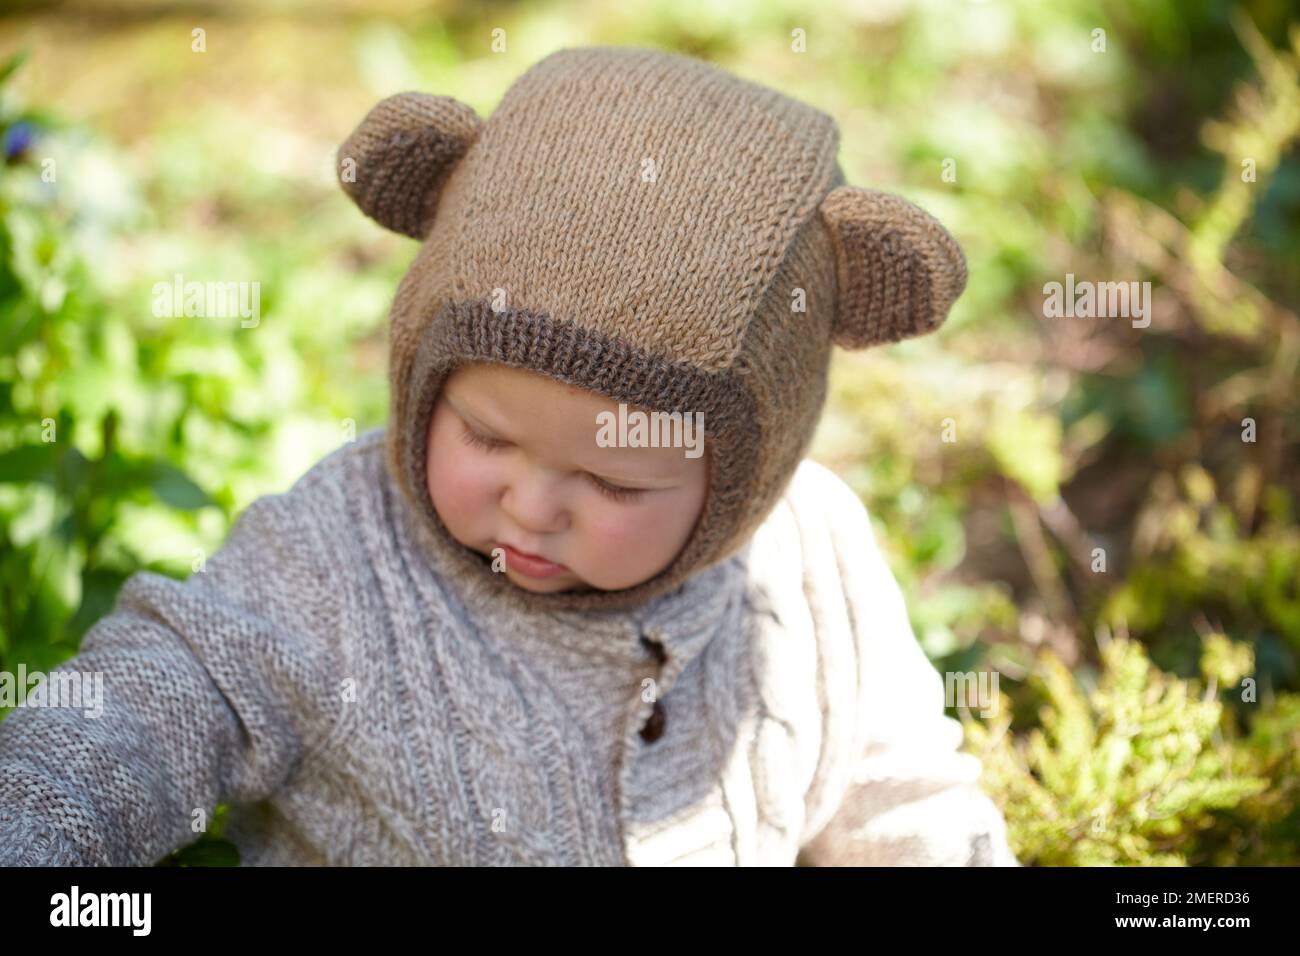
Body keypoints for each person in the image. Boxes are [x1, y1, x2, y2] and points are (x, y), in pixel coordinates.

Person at [0, 45, 1017, 866]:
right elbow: (158, 698)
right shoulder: (335, 561)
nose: (529, 506)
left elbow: (903, 795)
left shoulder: (812, 558)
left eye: (614, 477)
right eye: (484, 435)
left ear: (744, 480)